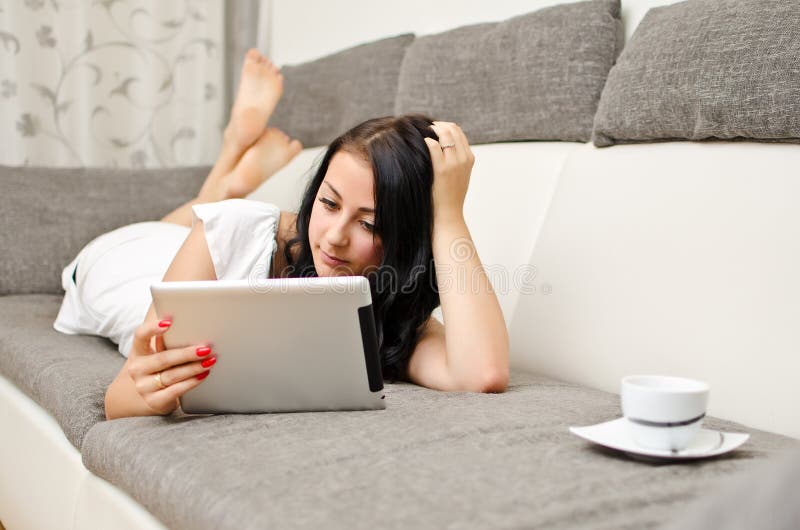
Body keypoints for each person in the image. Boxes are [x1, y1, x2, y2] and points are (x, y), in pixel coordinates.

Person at [55, 49, 509, 420]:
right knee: (210, 225)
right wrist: (151, 391)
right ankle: (228, 168)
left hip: (209, 242)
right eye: (328, 203)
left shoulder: (392, 315)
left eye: (369, 224)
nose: (333, 237)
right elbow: (118, 402)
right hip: (119, 266)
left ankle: (226, 178)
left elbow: (482, 372)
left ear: (407, 239)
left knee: (214, 222)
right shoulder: (235, 232)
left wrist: (448, 214)